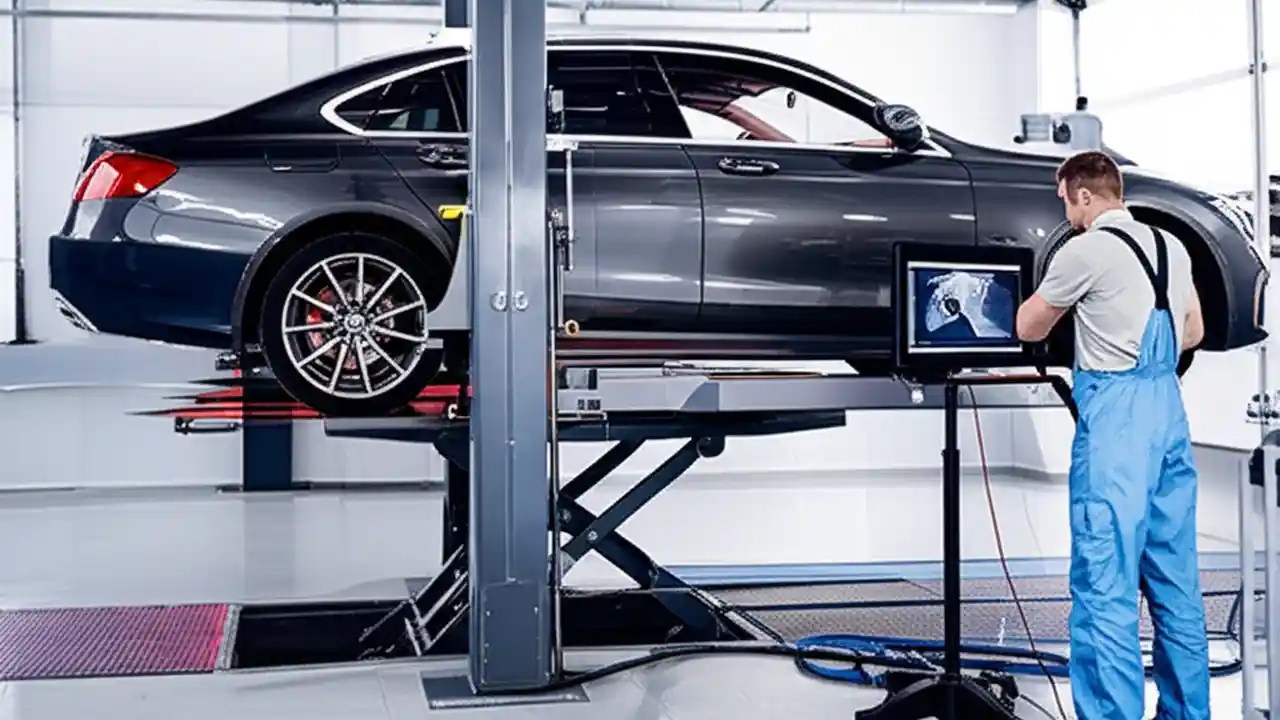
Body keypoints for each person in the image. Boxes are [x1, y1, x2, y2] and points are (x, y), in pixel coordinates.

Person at [1015, 150, 1210, 720]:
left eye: (1064, 200)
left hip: (1117, 421)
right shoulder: (1172, 246)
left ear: (1082, 194)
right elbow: (1193, 332)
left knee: (1106, 580)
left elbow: (1028, 324)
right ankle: (1187, 713)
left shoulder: (1086, 249)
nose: (1066, 213)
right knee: (1176, 581)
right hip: (1167, 412)